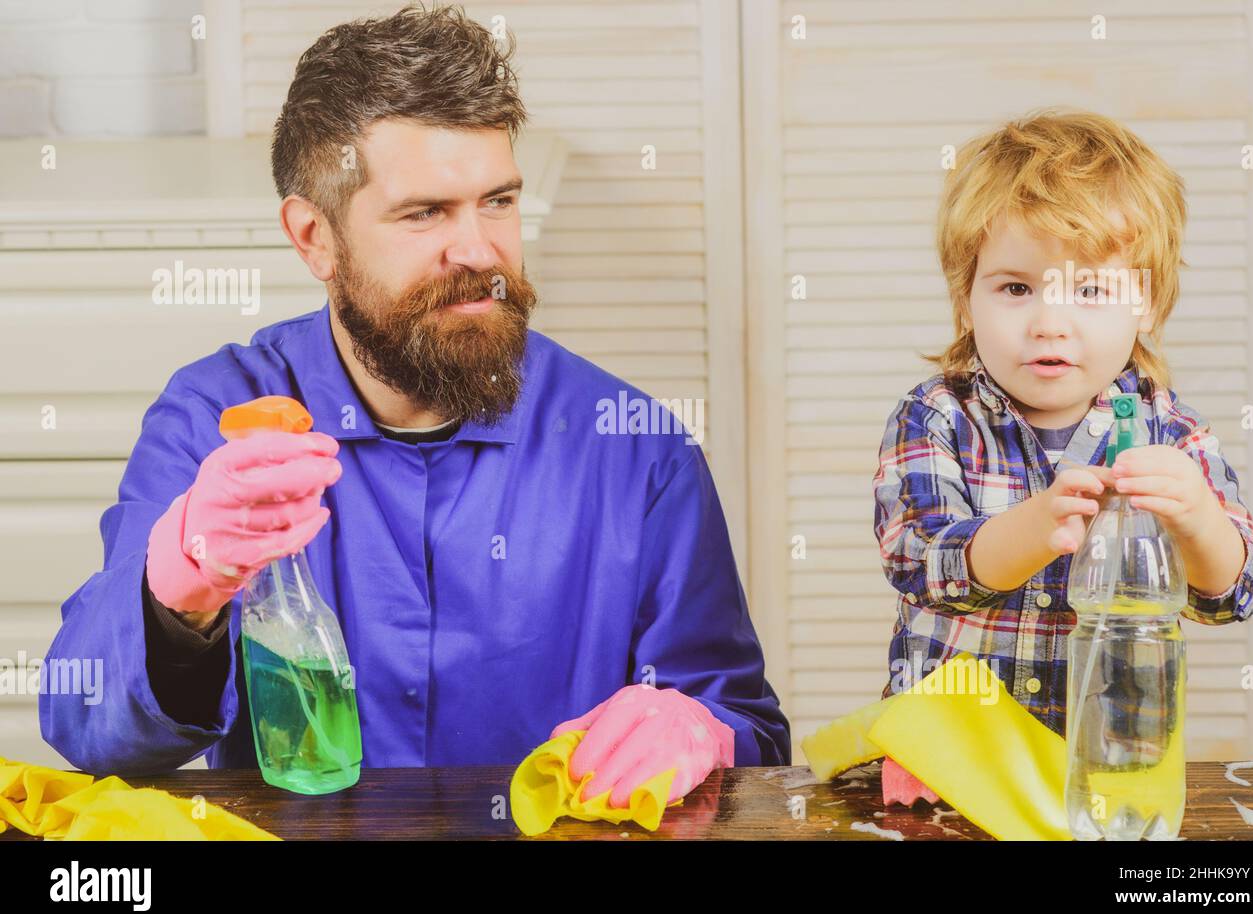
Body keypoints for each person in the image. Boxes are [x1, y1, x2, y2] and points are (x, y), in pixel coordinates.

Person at [41, 4, 790, 808]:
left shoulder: (639, 454)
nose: (479, 251)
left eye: (497, 201)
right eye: (424, 212)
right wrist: (179, 587)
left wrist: (703, 729)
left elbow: (747, 728)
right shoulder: (213, 418)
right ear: (314, 237)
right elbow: (86, 725)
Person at [873, 109, 1253, 744]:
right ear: (965, 300)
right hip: (949, 759)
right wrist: (1033, 528)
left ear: (1144, 304)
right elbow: (922, 567)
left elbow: (1238, 593)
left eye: (1089, 291)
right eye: (1014, 288)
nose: (1049, 322)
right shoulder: (936, 415)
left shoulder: (1168, 430)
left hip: (1106, 757)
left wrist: (1197, 519)